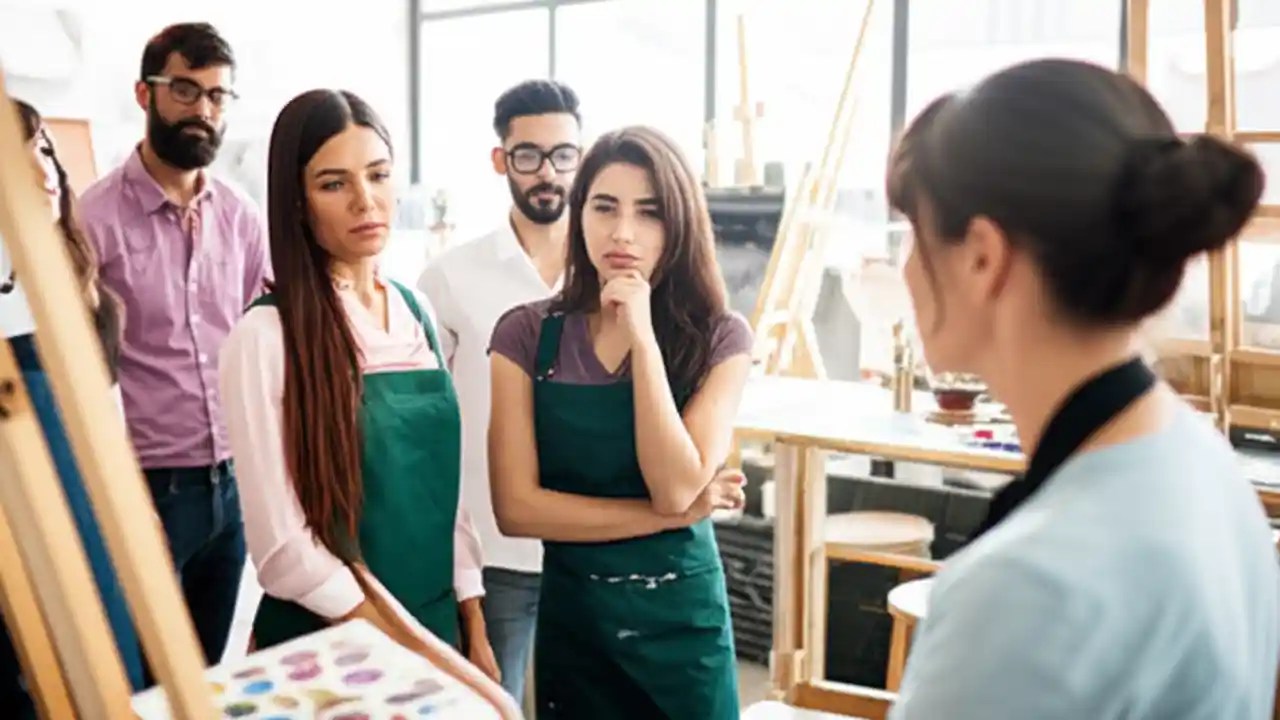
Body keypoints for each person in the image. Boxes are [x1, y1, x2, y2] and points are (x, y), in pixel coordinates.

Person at [884, 59, 1279, 719]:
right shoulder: (1202, 462)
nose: (903, 269)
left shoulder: (1026, 586)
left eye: (914, 236)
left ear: (982, 256)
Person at [218, 89, 497, 681]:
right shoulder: (267, 335)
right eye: (333, 184)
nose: (365, 201)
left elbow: (447, 498)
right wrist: (413, 651)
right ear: (297, 202)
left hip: (435, 625)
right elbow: (283, 552)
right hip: (329, 646)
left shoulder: (417, 310)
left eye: (378, 175)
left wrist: (471, 621)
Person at [489, 125, 752, 719]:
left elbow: (675, 482)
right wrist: (672, 516)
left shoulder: (722, 337)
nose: (623, 233)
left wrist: (643, 337)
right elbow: (516, 508)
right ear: (579, 216)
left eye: (649, 212)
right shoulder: (525, 335)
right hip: (577, 630)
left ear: (679, 223)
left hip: (683, 633)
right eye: (604, 207)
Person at [77, 22, 269, 668]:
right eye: (185, 90)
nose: (203, 111)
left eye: (217, 96)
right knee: (140, 678)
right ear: (144, 93)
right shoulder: (92, 221)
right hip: (143, 487)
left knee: (207, 677)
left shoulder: (241, 217)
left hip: (232, 490)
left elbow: (263, 342)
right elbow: (77, 378)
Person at [416, 78, 580, 701]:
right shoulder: (451, 277)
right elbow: (429, 432)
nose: (548, 173)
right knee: (491, 704)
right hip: (494, 554)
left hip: (590, 547)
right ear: (500, 161)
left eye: (562, 155)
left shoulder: (609, 271)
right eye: (528, 155)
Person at [0, 99, 142, 716]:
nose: (45, 167)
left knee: (114, 678)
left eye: (46, 149)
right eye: (21, 151)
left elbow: (108, 423)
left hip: (96, 520)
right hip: (18, 535)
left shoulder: (76, 279)